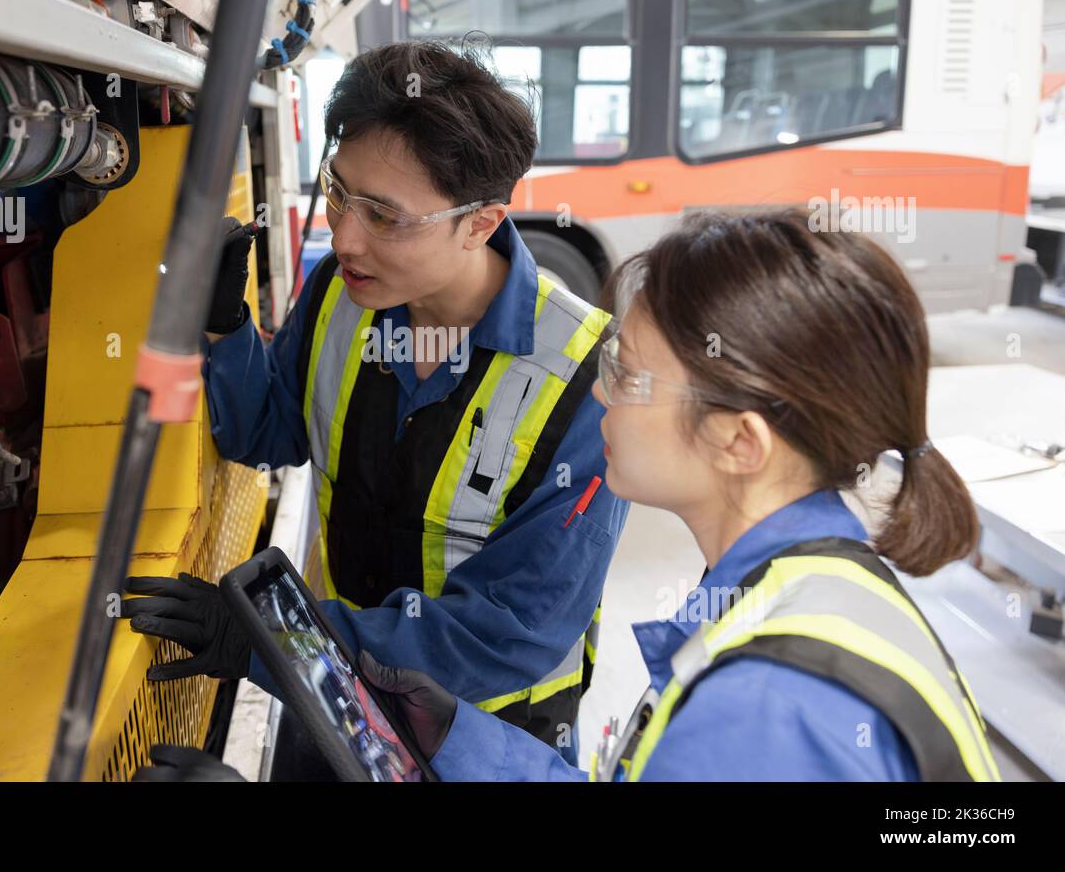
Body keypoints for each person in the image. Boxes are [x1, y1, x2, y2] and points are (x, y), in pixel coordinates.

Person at [120, 40, 630, 764]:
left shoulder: (585, 382)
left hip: (477, 745)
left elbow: (504, 636)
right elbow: (269, 433)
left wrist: (274, 640)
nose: (343, 234)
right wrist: (228, 330)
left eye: (385, 217)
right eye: (338, 190)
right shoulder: (342, 292)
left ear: (479, 223)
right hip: (330, 695)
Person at [363, 210, 1002, 782]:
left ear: (739, 442)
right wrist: (456, 740)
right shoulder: (795, 580)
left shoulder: (763, 714)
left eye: (630, 374)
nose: (600, 393)